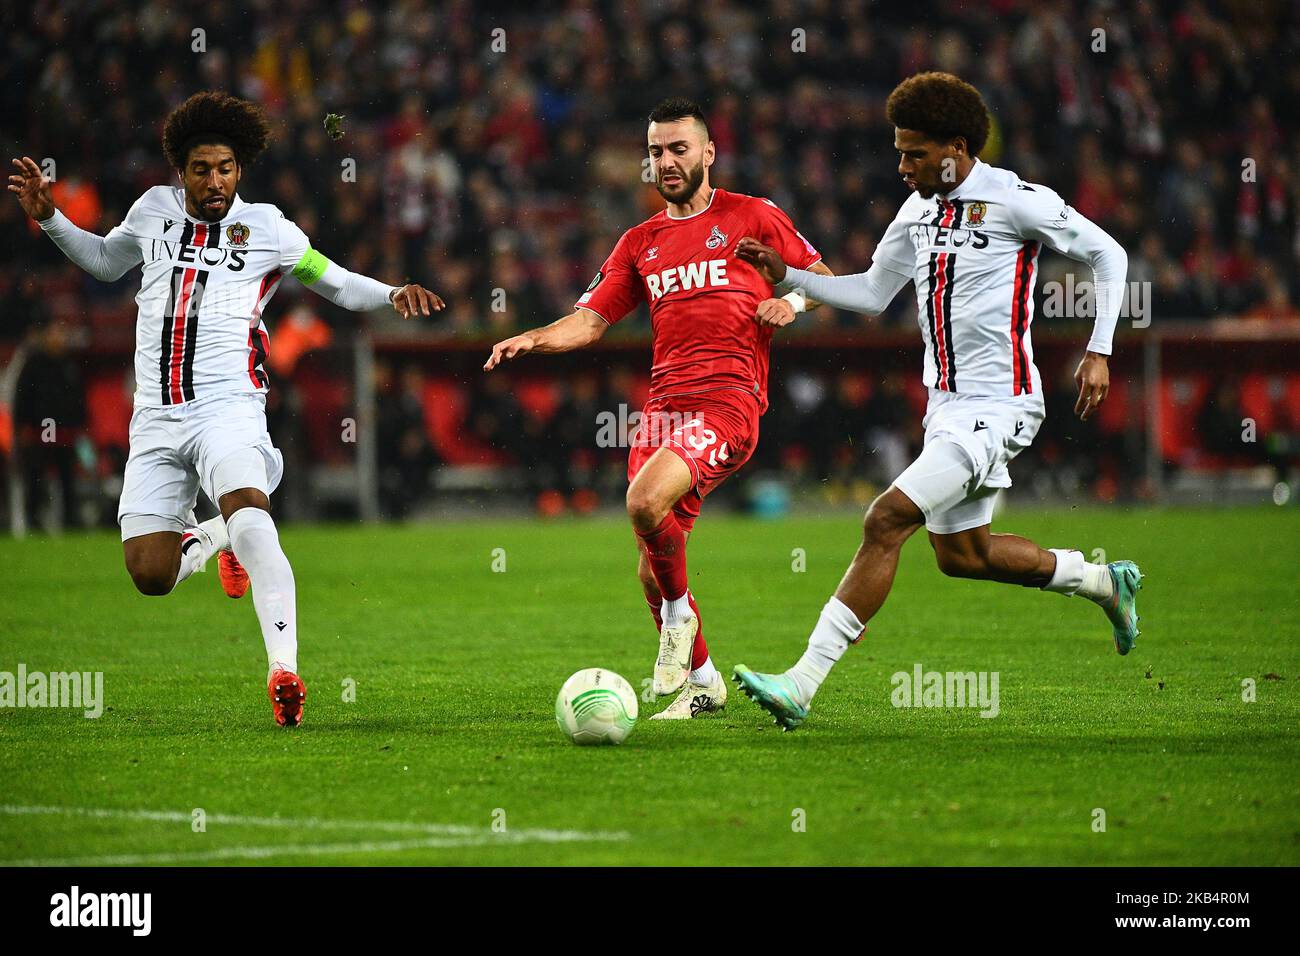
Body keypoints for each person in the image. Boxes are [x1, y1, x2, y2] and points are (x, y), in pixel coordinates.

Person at [10, 91, 444, 726]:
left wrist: (392, 292)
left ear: (240, 169)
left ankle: (283, 670)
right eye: (201, 170)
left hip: (229, 408)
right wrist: (51, 218)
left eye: (226, 169)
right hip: (156, 416)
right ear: (180, 172)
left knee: (252, 513)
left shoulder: (267, 227)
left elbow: (335, 281)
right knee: (150, 574)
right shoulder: (151, 211)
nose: (214, 181)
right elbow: (104, 262)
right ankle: (214, 537)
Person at [732, 72, 1143, 730]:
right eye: (899, 152)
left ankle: (800, 684)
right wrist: (790, 278)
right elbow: (872, 294)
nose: (902, 167)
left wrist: (1099, 350)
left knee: (885, 519)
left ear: (957, 147)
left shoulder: (1015, 200)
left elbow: (1109, 254)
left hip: (1001, 404)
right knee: (963, 556)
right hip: (947, 408)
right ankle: (1100, 581)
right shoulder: (916, 211)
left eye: (914, 153)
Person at [484, 98, 834, 719]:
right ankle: (704, 685)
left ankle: (677, 622)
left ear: (708, 153)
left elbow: (826, 280)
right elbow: (590, 321)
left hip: (728, 404)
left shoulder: (753, 216)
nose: (665, 162)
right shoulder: (640, 242)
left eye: (677, 149)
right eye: (655, 152)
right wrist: (534, 338)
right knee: (652, 570)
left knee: (644, 502)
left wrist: (793, 304)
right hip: (662, 414)